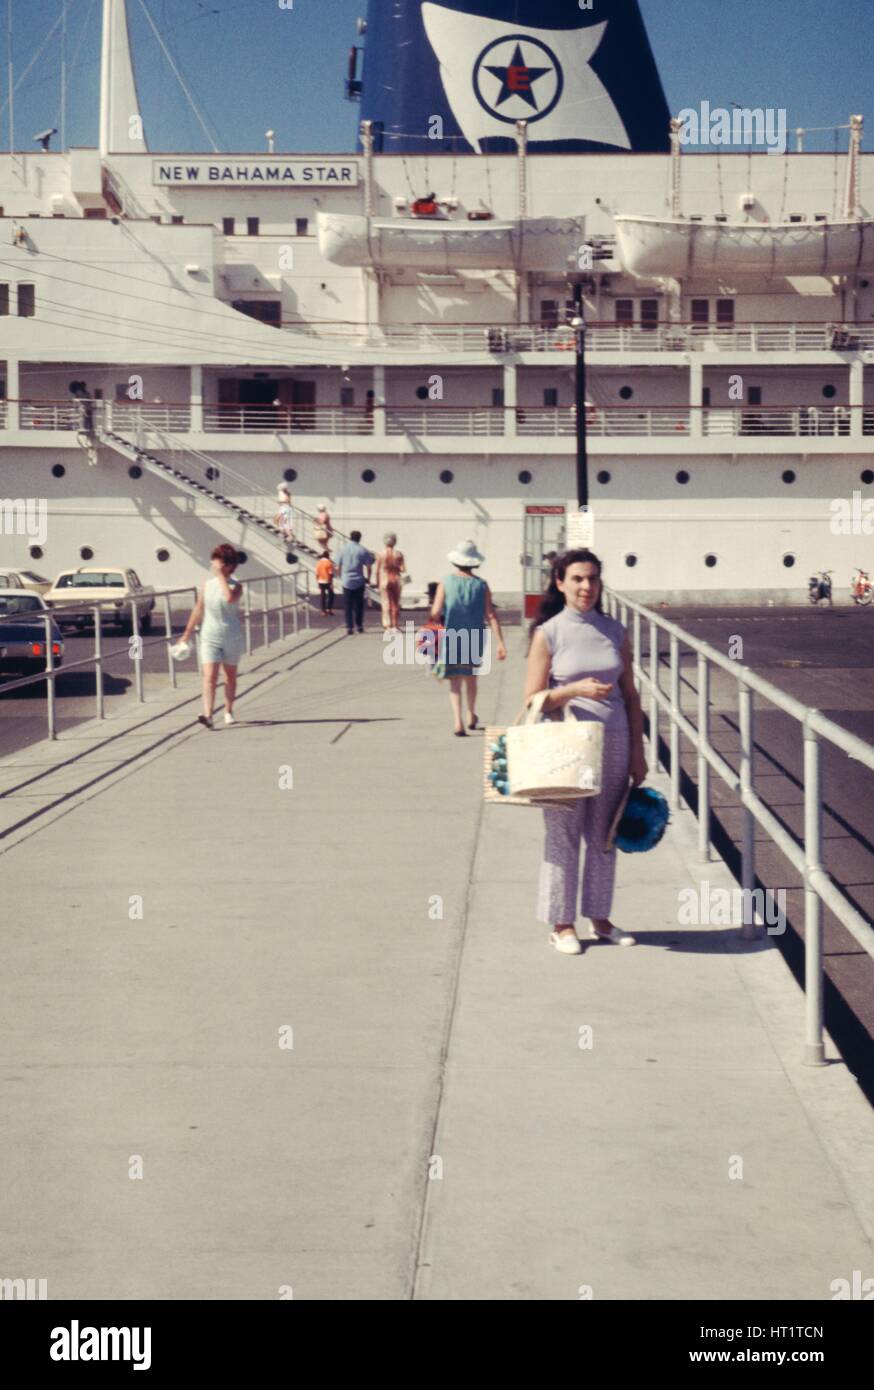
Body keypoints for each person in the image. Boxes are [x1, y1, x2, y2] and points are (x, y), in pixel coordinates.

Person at [525, 548, 648, 956]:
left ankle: (599, 917)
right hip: (566, 746)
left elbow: (631, 696)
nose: (586, 587)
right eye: (577, 578)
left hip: (613, 742)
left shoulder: (615, 631)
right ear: (560, 582)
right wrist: (574, 690)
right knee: (563, 835)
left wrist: (638, 752)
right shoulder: (549, 633)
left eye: (593, 578)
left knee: (604, 835)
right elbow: (532, 700)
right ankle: (561, 923)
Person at [430, 540, 506, 737]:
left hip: (452, 635)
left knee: (454, 681)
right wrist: (500, 643)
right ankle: (471, 714)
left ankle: (458, 722)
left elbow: (436, 611)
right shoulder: (481, 585)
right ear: (474, 562)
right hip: (474, 637)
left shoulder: (445, 582)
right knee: (471, 678)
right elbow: (491, 615)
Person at [178, 542, 245, 729]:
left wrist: (221, 576)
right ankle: (208, 714)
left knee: (229, 676)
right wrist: (186, 634)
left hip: (231, 636)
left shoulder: (237, 586)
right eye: (216, 562)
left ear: (230, 566)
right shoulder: (207, 585)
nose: (217, 566)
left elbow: (229, 598)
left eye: (222, 563)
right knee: (209, 676)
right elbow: (198, 609)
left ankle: (228, 710)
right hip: (210, 635)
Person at [335, 529, 374, 635]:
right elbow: (369, 566)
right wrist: (369, 578)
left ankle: (349, 627)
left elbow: (337, 566)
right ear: (359, 538)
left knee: (347, 605)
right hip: (359, 580)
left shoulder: (343, 550)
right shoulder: (363, 550)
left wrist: (339, 577)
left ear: (350, 537)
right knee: (359, 605)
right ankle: (359, 625)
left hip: (346, 580)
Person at [375, 532, 405, 632]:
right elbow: (403, 569)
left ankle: (387, 626)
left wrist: (377, 582)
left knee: (386, 602)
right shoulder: (399, 554)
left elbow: (377, 570)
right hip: (396, 579)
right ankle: (395, 625)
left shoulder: (380, 554)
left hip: (384, 579)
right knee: (395, 603)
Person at [315, 549, 335, 615]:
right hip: (327, 581)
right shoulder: (329, 563)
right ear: (328, 556)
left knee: (322, 595)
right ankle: (329, 609)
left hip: (320, 580)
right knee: (331, 595)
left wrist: (317, 582)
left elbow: (317, 574)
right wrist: (331, 583)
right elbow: (330, 574)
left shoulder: (319, 562)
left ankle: (323, 611)